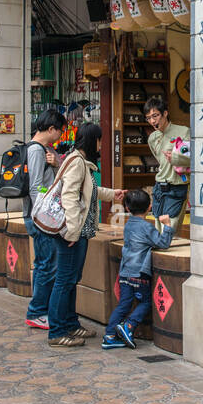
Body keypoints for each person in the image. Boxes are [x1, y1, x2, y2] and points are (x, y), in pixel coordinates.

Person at [45, 123, 118, 348]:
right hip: (71, 233)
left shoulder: (80, 161)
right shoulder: (77, 162)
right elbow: (69, 197)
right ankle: (57, 331)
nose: (101, 144)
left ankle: (70, 323)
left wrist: (115, 194)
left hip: (77, 232)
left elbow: (89, 191)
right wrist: (73, 233)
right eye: (99, 139)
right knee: (64, 280)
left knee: (71, 279)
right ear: (92, 140)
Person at [102, 190, 173, 350]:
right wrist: (167, 225)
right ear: (149, 207)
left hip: (125, 272)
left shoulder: (128, 226)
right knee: (146, 302)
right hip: (139, 274)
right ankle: (128, 326)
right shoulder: (147, 227)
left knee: (123, 305)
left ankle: (109, 336)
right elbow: (163, 243)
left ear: (127, 208)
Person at [23, 109, 67, 331]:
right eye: (60, 131)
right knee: (46, 264)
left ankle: (42, 310)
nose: (60, 136)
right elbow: (35, 186)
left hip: (42, 216)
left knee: (47, 263)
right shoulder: (36, 151)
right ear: (51, 129)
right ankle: (37, 311)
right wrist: (44, 207)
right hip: (41, 218)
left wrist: (56, 163)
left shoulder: (45, 151)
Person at [144, 97, 190, 221]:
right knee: (159, 225)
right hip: (159, 186)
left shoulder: (184, 132)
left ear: (165, 113)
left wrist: (175, 158)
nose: (152, 121)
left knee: (170, 229)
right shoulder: (152, 138)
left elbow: (194, 160)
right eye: (148, 118)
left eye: (155, 116)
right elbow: (160, 161)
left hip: (177, 185)